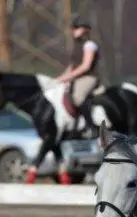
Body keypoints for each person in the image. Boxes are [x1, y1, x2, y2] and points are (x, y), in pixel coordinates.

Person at [25, 16, 101, 184]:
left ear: (84, 30)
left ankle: (90, 127)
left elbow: (86, 67)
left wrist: (69, 77)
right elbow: (72, 67)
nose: (74, 32)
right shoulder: (77, 47)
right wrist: (60, 79)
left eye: (77, 28)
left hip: (89, 78)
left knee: (77, 97)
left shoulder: (89, 45)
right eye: (74, 29)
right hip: (77, 76)